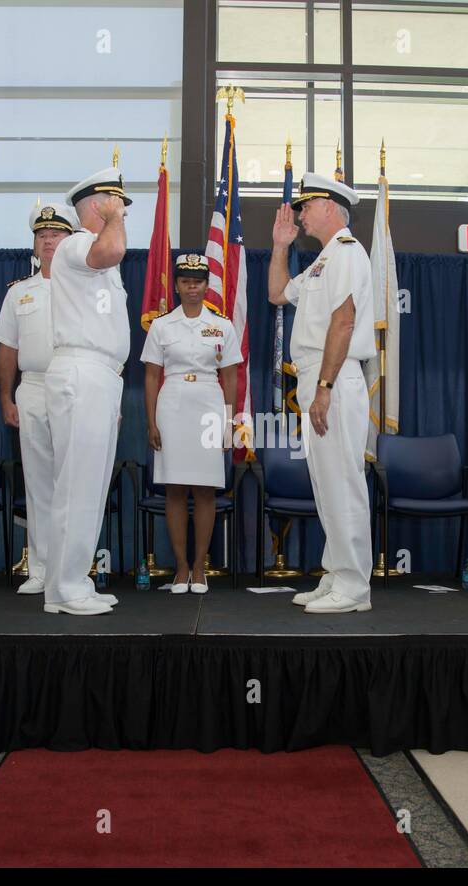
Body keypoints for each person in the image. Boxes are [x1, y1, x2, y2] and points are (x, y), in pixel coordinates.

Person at [267, 172, 376, 614]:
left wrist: (326, 387)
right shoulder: (320, 261)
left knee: (344, 483)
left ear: (331, 207)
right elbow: (277, 292)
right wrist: (279, 245)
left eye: (307, 205)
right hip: (315, 377)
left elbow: (344, 321)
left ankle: (354, 587)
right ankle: (336, 574)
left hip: (336, 377)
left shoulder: (347, 253)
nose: (301, 213)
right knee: (326, 485)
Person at [42, 168, 132, 616]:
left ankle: (71, 581)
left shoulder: (94, 255)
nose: (123, 216)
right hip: (81, 370)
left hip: (100, 376)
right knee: (77, 485)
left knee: (90, 486)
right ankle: (64, 587)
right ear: (98, 206)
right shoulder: (79, 243)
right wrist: (113, 220)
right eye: (117, 206)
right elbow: (113, 247)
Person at [142, 254, 241, 594]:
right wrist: (151, 421)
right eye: (186, 281)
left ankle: (200, 566)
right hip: (172, 405)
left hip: (208, 402)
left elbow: (230, 378)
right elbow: (152, 376)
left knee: (204, 489)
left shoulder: (222, 325)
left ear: (206, 285)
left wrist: (228, 423)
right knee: (174, 489)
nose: (192, 287)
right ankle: (180, 567)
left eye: (198, 281)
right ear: (177, 285)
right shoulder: (161, 326)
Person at [0, 202, 78, 595]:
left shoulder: (85, 285)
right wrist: (5, 398)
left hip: (73, 386)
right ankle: (41, 568)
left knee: (72, 480)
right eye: (43, 235)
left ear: (70, 240)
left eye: (57, 234)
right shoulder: (18, 293)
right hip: (30, 387)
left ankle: (71, 568)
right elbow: (7, 348)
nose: (49, 240)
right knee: (38, 480)